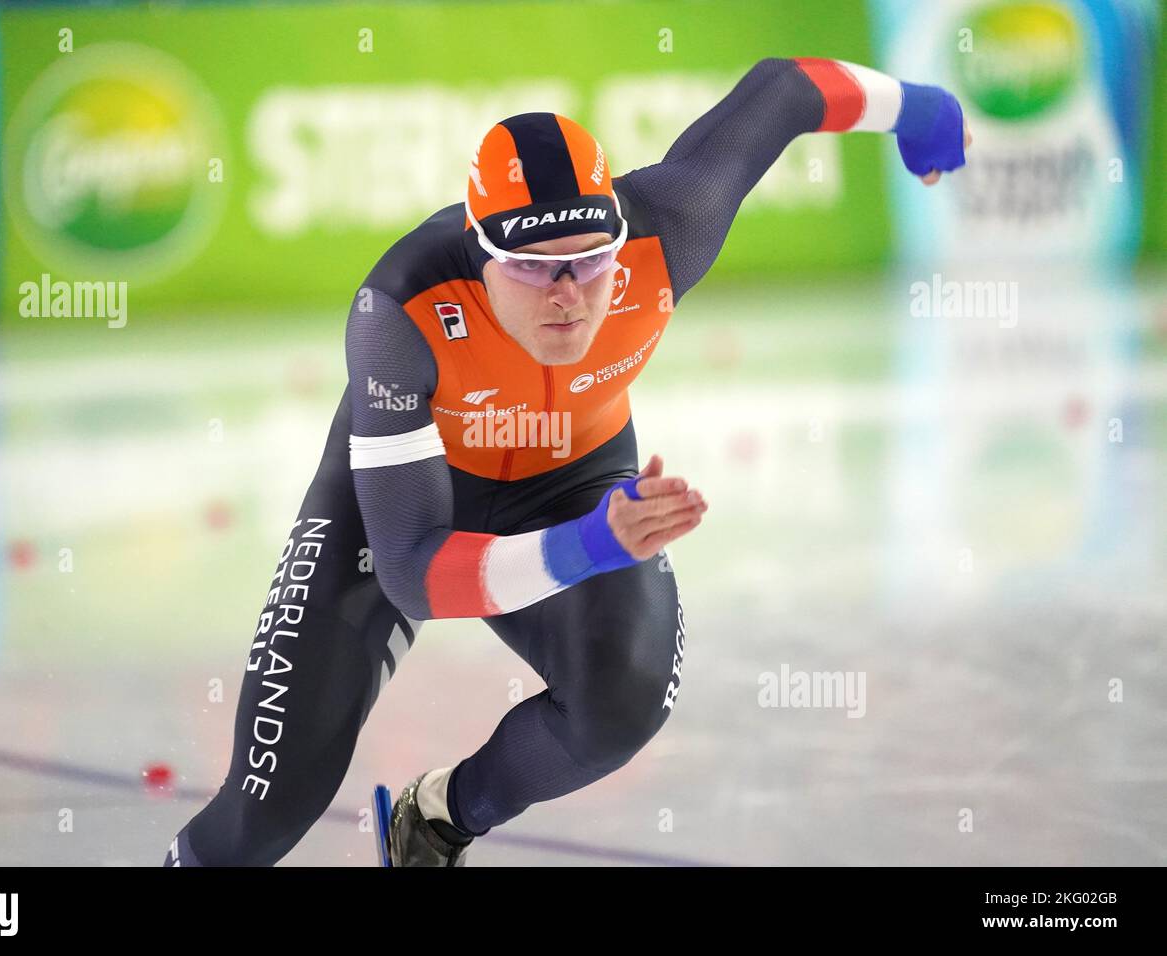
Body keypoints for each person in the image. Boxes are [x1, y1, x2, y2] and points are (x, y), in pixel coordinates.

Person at [164, 56, 969, 867]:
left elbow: (787, 92)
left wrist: (923, 110)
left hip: (571, 478)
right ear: (480, 252)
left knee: (624, 704)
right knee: (266, 812)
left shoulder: (671, 228)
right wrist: (596, 546)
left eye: (589, 260)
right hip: (414, 498)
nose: (567, 293)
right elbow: (412, 573)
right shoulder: (399, 308)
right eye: (532, 265)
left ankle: (440, 819)